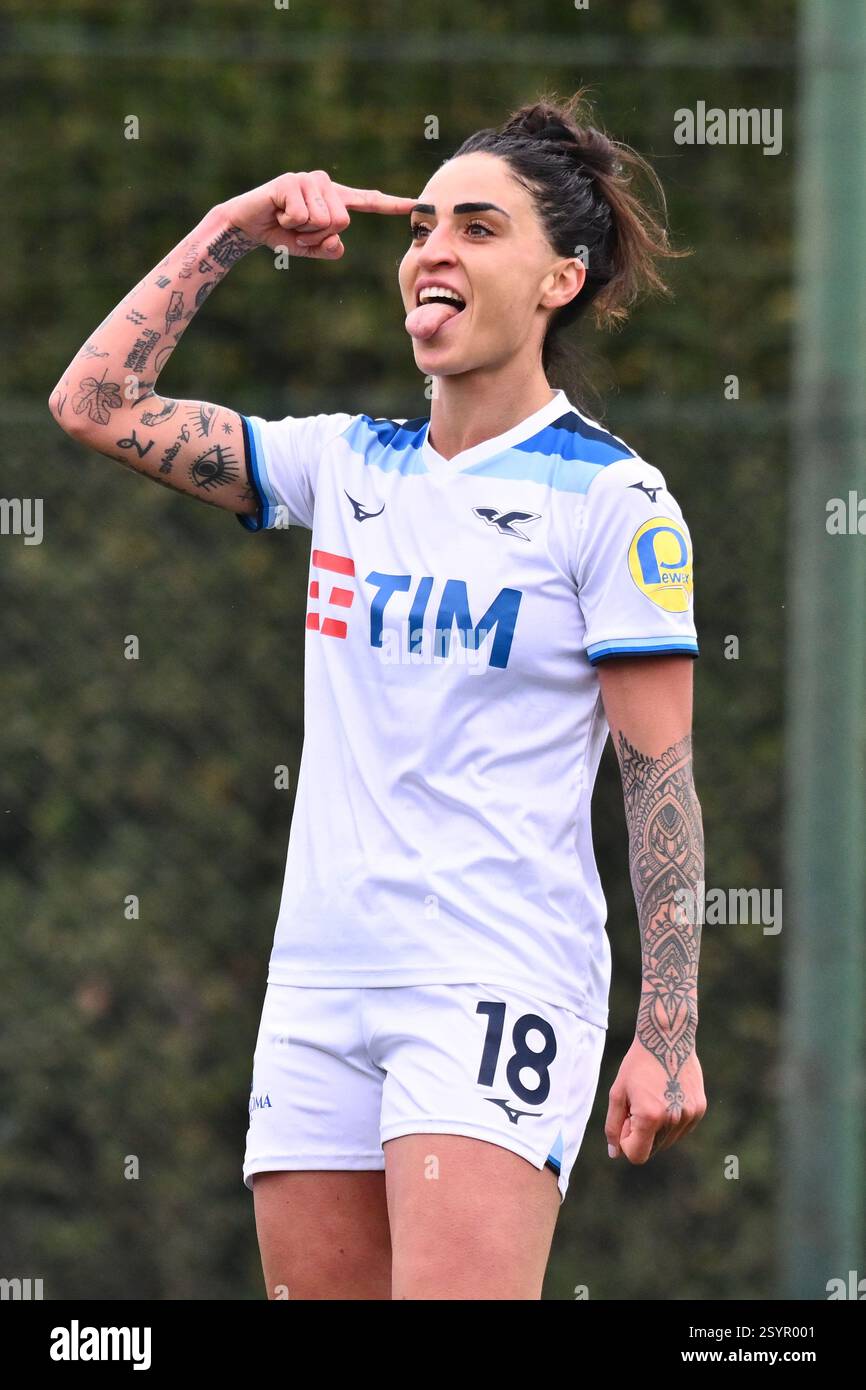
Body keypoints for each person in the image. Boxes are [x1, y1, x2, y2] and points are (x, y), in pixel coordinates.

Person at [48, 88, 706, 1301]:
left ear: (559, 281)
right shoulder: (346, 463)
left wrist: (666, 1030)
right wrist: (231, 227)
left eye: (476, 227)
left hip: (495, 984)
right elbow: (93, 405)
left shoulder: (611, 501)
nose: (432, 252)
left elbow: (655, 774)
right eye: (420, 229)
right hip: (318, 984)